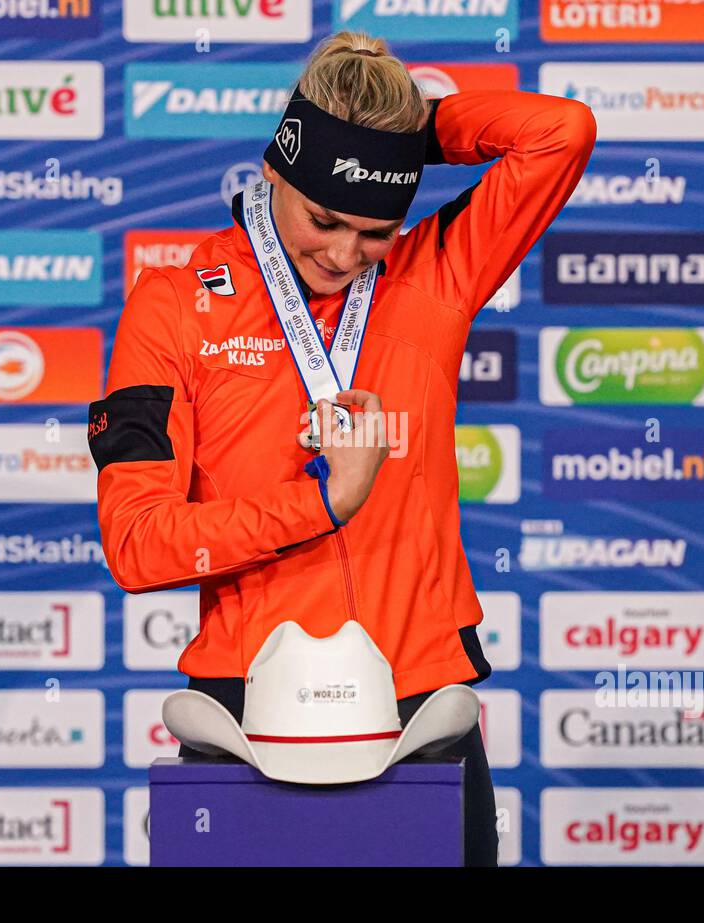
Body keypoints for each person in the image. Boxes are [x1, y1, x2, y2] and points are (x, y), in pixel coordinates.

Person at [89, 30, 596, 867]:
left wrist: (407, 136)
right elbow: (137, 546)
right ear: (275, 170)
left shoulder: (435, 275)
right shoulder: (174, 305)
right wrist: (322, 504)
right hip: (245, 710)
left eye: (375, 231)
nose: (341, 254)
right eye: (323, 217)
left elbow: (562, 131)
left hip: (419, 703)